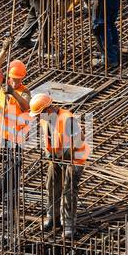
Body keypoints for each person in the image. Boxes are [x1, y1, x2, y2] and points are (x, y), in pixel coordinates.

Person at [0, 40, 32, 210]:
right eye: (13, 79)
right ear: (8, 76)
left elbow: (26, 106)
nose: (15, 82)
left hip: (14, 138)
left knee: (12, 173)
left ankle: (10, 204)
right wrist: (3, 50)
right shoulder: (3, 85)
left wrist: (14, 94)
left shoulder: (25, 91)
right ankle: (1, 191)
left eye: (18, 79)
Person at [31, 93, 89, 239]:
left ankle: (68, 225)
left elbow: (79, 140)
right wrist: (49, 153)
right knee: (51, 184)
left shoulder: (67, 119)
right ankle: (53, 216)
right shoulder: (45, 120)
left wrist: (65, 154)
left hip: (74, 159)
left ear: (48, 110)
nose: (38, 118)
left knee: (69, 190)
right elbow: (49, 139)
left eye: (39, 115)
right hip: (56, 158)